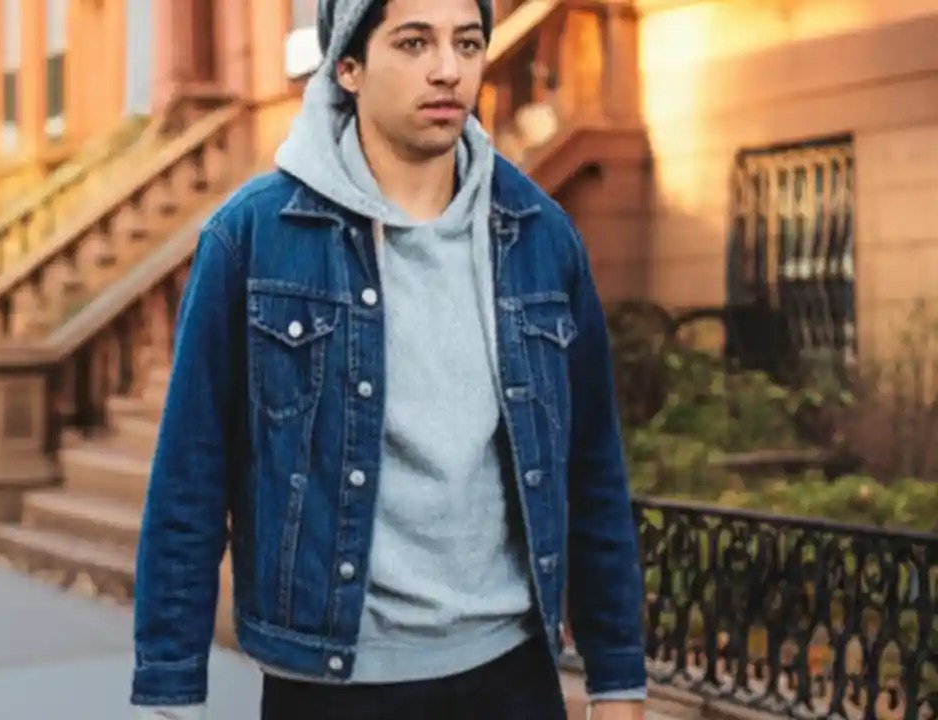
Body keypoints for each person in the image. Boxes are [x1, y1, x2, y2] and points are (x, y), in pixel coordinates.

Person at [130, 0, 648, 717]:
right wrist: (170, 693)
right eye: (413, 43)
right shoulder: (252, 240)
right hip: (334, 689)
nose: (447, 69)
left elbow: (592, 467)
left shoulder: (540, 237)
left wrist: (618, 678)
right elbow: (189, 481)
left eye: (467, 43)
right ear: (348, 66)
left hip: (511, 678)